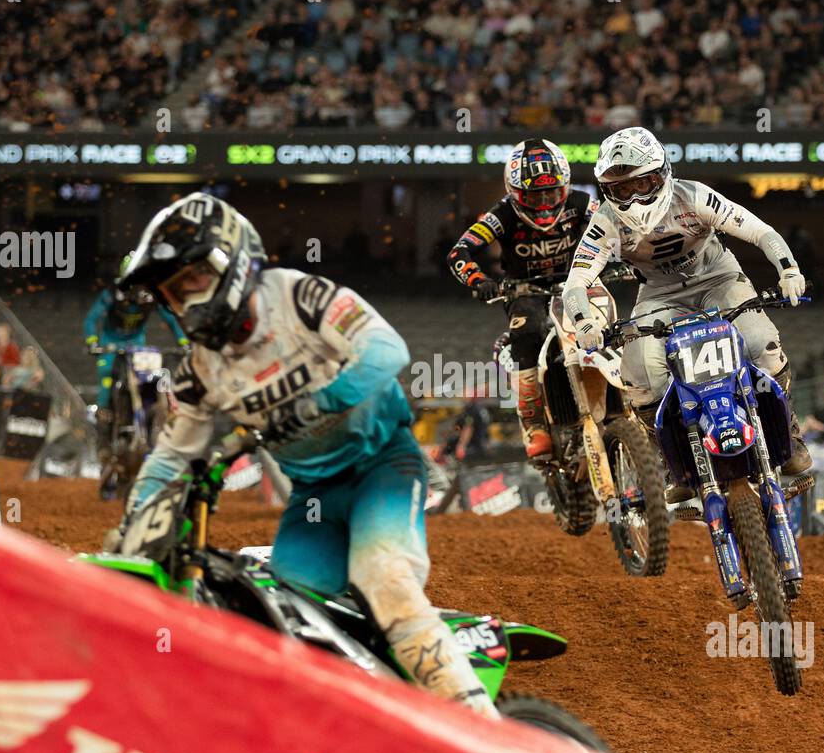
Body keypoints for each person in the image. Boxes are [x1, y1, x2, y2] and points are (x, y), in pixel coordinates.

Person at [111, 192, 496, 716]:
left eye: (194, 280)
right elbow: (170, 456)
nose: (189, 301)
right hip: (314, 495)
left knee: (383, 576)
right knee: (281, 608)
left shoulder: (297, 296)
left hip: (383, 464)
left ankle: (483, 727)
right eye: (175, 293)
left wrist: (324, 399)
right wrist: (134, 524)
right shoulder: (200, 369)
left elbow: (386, 348)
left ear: (231, 259)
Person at [562, 126, 812, 506]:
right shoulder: (607, 221)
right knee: (641, 372)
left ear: (662, 174)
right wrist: (584, 322)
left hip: (720, 279)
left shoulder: (694, 195)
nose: (632, 196)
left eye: (641, 183)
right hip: (659, 295)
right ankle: (670, 462)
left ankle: (788, 435)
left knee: (762, 342)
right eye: (622, 190)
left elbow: (760, 231)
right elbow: (576, 282)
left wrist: (789, 270)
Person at [445, 138, 597, 462]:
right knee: (528, 335)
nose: (543, 203)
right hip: (523, 291)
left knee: (607, 330)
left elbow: (616, 231)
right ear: (514, 192)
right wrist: (480, 280)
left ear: (565, 186)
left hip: (576, 285)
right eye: (534, 195)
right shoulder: (501, 214)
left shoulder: (583, 203)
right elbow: (459, 252)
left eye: (551, 193)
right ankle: (535, 425)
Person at [84, 254, 188, 493]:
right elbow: (92, 319)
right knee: (107, 377)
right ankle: (103, 416)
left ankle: (152, 423)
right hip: (111, 345)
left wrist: (183, 341)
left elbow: (171, 319)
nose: (141, 286)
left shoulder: (153, 295)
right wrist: (92, 341)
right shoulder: (113, 294)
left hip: (137, 346)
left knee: (154, 381)